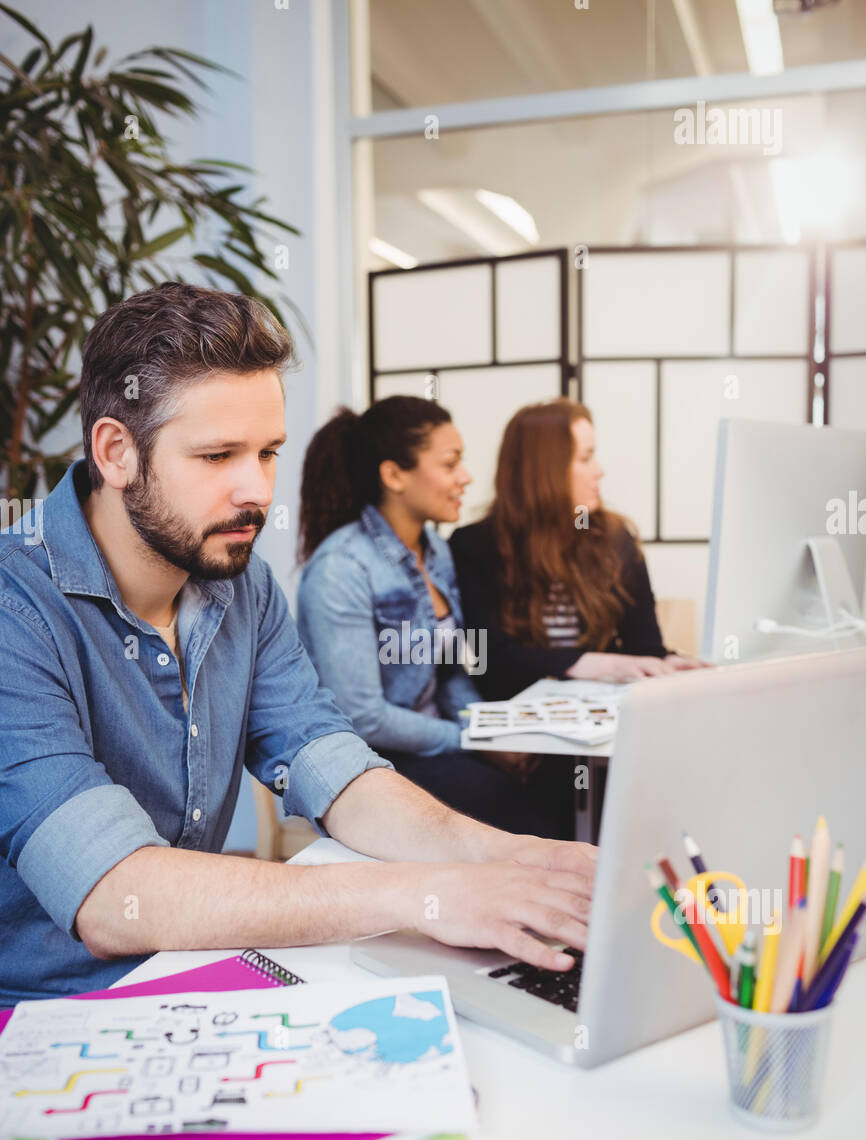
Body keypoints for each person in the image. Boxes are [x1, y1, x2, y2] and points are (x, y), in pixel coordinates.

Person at [0, 285, 596, 1018]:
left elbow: (331, 763)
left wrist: (501, 855)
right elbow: (113, 894)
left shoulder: (239, 587)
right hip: (42, 1020)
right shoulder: (14, 609)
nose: (256, 490)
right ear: (116, 452)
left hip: (195, 978)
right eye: (218, 455)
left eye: (268, 453)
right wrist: (424, 894)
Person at [296, 397, 573, 837]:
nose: (466, 477)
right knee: (525, 816)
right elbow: (363, 717)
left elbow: (448, 672)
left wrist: (490, 732)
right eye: (450, 464)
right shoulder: (341, 568)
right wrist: (470, 741)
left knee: (558, 783)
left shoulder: (437, 551)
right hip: (373, 763)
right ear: (393, 476)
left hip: (436, 746)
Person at [449, 398, 705, 701]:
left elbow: (644, 647)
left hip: (602, 724)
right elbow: (490, 658)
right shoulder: (475, 545)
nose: (599, 471)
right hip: (517, 729)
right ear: (546, 470)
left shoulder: (614, 539)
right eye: (586, 459)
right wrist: (592, 663)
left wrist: (670, 663)